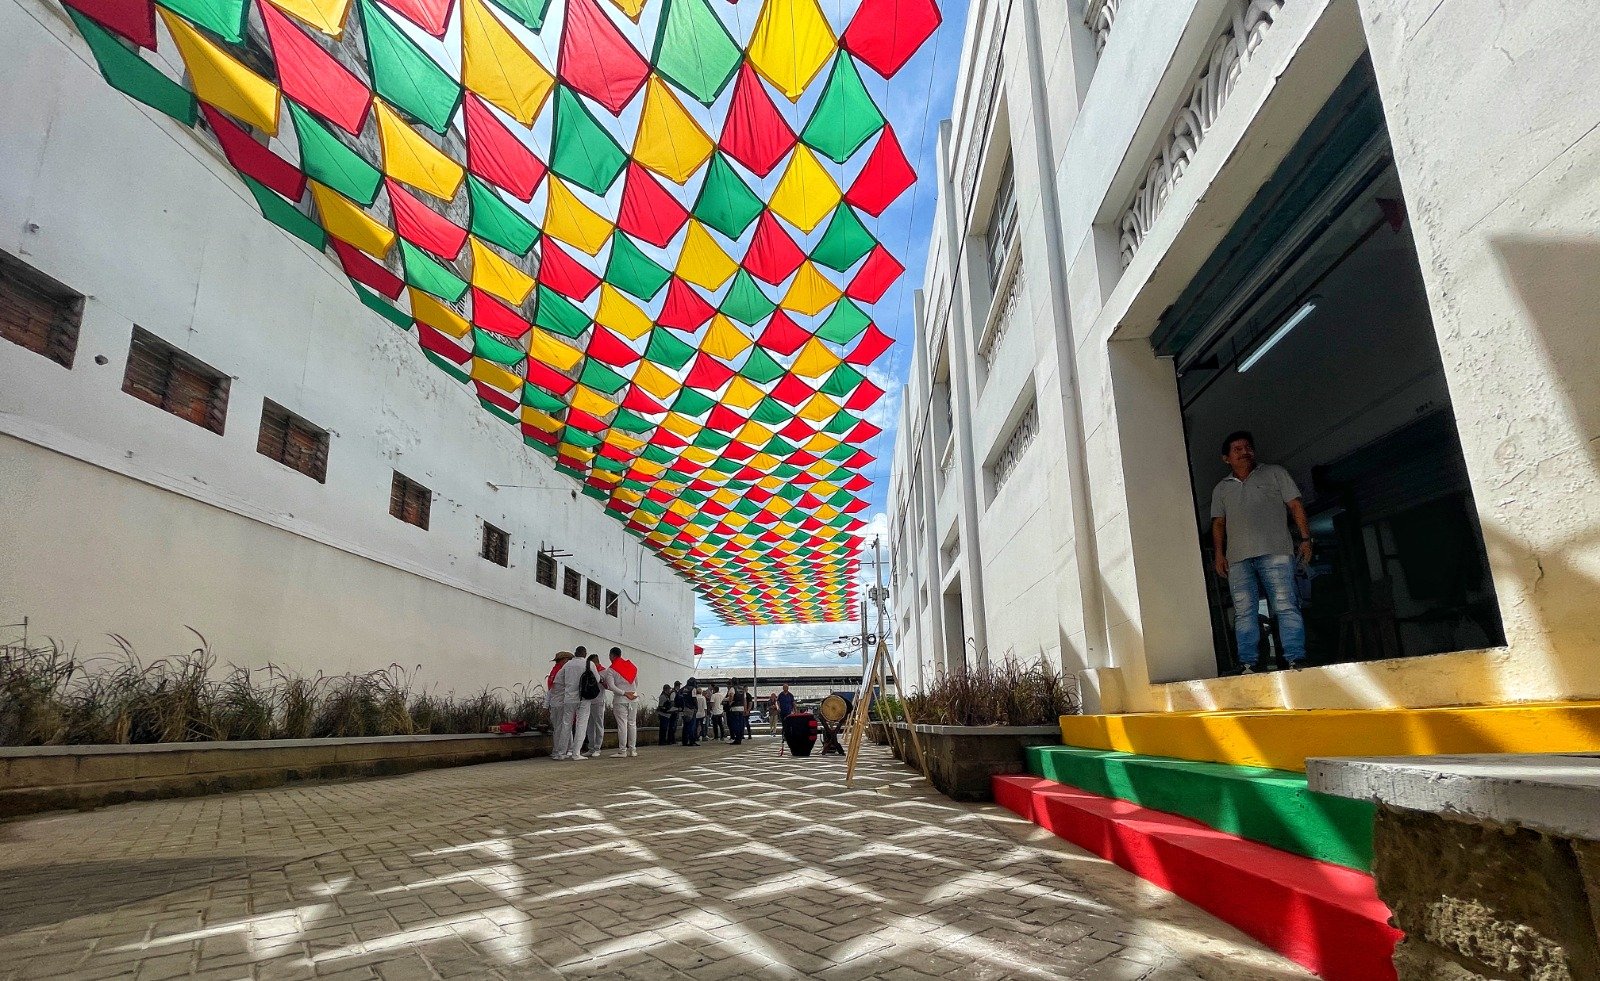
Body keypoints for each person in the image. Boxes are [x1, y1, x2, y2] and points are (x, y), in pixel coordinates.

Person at [1210, 431, 1313, 672]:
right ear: (1226, 458)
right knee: (1244, 612)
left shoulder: (1275, 473)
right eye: (1238, 449)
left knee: (1285, 604)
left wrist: (1306, 538)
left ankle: (1295, 658)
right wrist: (1219, 554)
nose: (1245, 452)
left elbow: (1295, 505)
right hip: (1237, 559)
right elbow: (1218, 523)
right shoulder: (1221, 489)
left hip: (1276, 551)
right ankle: (1248, 664)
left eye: (1248, 447)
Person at [553, 647, 600, 760]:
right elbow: (597, 679)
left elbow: (558, 680)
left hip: (569, 698)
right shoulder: (589, 664)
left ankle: (561, 753)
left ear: (575, 653)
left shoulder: (568, 664)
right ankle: (576, 753)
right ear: (585, 654)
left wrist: (569, 686)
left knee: (566, 724)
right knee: (581, 724)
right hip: (584, 698)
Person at [604, 646, 640, 757]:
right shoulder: (631, 666)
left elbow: (611, 686)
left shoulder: (611, 669)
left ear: (611, 656)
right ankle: (633, 750)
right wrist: (631, 692)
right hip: (633, 698)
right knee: (632, 724)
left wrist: (624, 693)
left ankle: (622, 750)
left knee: (622, 725)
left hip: (620, 699)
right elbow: (636, 682)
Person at [545, 651, 575, 760]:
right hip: (563, 703)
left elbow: (550, 691)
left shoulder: (553, 671)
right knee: (565, 727)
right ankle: (567, 749)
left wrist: (545, 705)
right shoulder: (563, 671)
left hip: (554, 704)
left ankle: (559, 749)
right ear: (564, 660)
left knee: (559, 728)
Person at [584, 649, 607, 758]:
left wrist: (601, 680)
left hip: (598, 701)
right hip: (589, 701)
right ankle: (591, 747)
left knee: (599, 724)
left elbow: (607, 686)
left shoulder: (603, 672)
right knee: (590, 725)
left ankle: (598, 748)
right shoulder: (588, 671)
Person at [676, 682, 695, 746]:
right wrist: (696, 707)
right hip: (690, 709)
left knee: (685, 726)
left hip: (683, 709)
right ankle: (691, 741)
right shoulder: (692, 689)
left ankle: (684, 741)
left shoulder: (682, 689)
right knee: (691, 725)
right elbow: (694, 699)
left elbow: (677, 698)